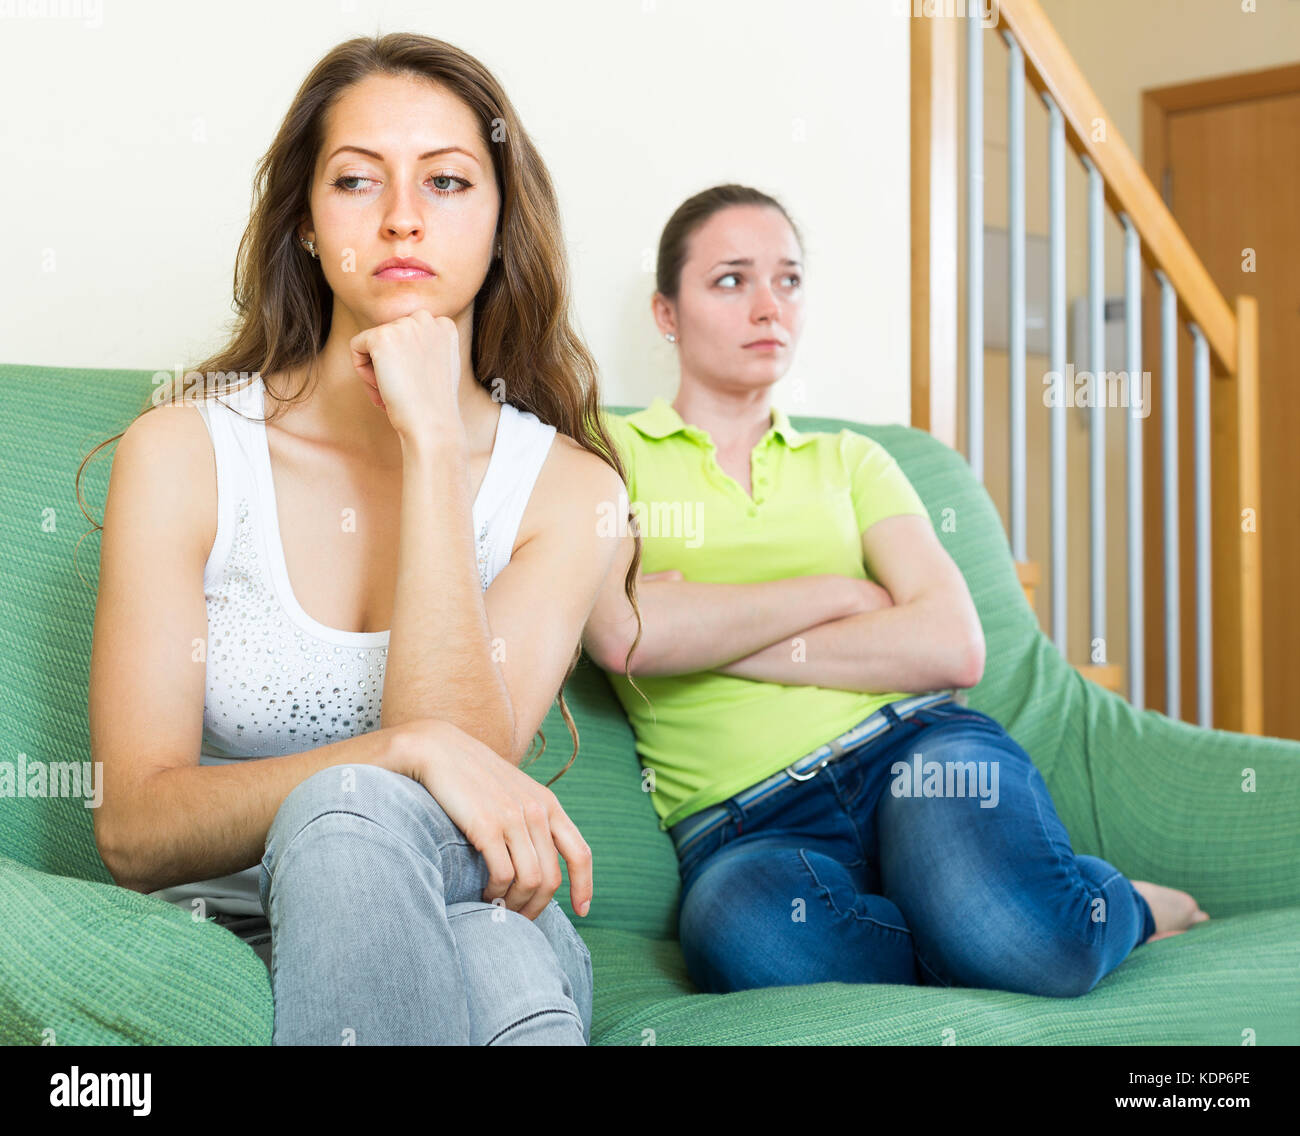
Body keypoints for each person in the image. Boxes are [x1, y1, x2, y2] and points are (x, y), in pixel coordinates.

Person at [82, 33, 643, 1045]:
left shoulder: (569, 492)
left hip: (464, 905)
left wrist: (429, 443)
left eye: (447, 180)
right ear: (304, 220)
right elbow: (132, 828)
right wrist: (399, 749)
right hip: (235, 926)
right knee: (372, 828)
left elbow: (461, 797)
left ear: (503, 219)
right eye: (355, 180)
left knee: (428, 874)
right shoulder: (182, 454)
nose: (400, 217)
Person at [581, 183, 1210, 998]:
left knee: (1032, 946)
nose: (768, 305)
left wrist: (698, 630)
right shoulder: (605, 449)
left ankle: (1113, 906)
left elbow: (954, 646)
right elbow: (623, 639)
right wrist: (843, 592)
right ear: (667, 313)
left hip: (913, 752)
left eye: (789, 279)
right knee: (751, 941)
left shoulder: (854, 462)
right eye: (731, 280)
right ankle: (1037, 904)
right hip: (746, 823)